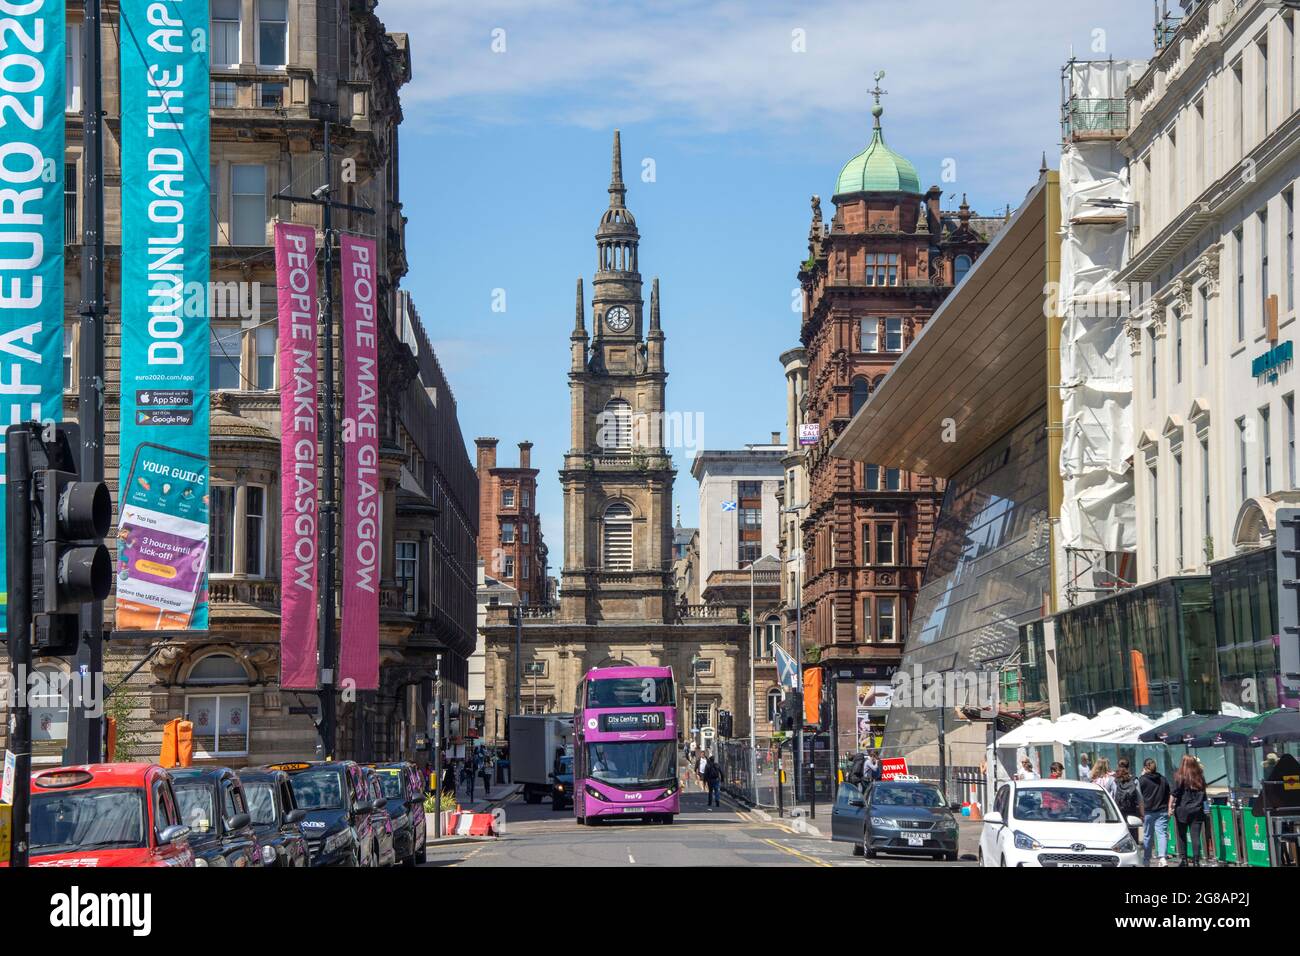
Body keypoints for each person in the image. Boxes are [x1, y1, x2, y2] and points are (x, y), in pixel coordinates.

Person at [1169, 755, 1207, 867]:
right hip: (1197, 810)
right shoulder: (1200, 777)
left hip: (1182, 810)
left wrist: (1169, 808)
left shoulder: (1180, 777)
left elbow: (1174, 793)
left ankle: (1184, 860)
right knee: (1195, 837)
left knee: (1182, 836)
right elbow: (1204, 794)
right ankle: (1196, 861)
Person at [1138, 758, 1171, 867]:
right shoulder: (1163, 779)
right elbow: (1168, 793)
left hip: (1148, 812)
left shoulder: (1142, 780)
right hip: (1162, 810)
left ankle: (1147, 859)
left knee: (1148, 836)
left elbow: (1139, 796)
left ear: (1145, 767)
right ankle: (1162, 858)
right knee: (1161, 834)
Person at [1113, 759, 1142, 842]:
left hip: (1118, 811)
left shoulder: (1114, 780)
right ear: (1129, 767)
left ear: (1118, 766)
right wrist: (1142, 813)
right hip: (1132, 810)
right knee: (1133, 833)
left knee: (1120, 833)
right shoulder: (1134, 780)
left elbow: (1112, 795)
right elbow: (1140, 798)